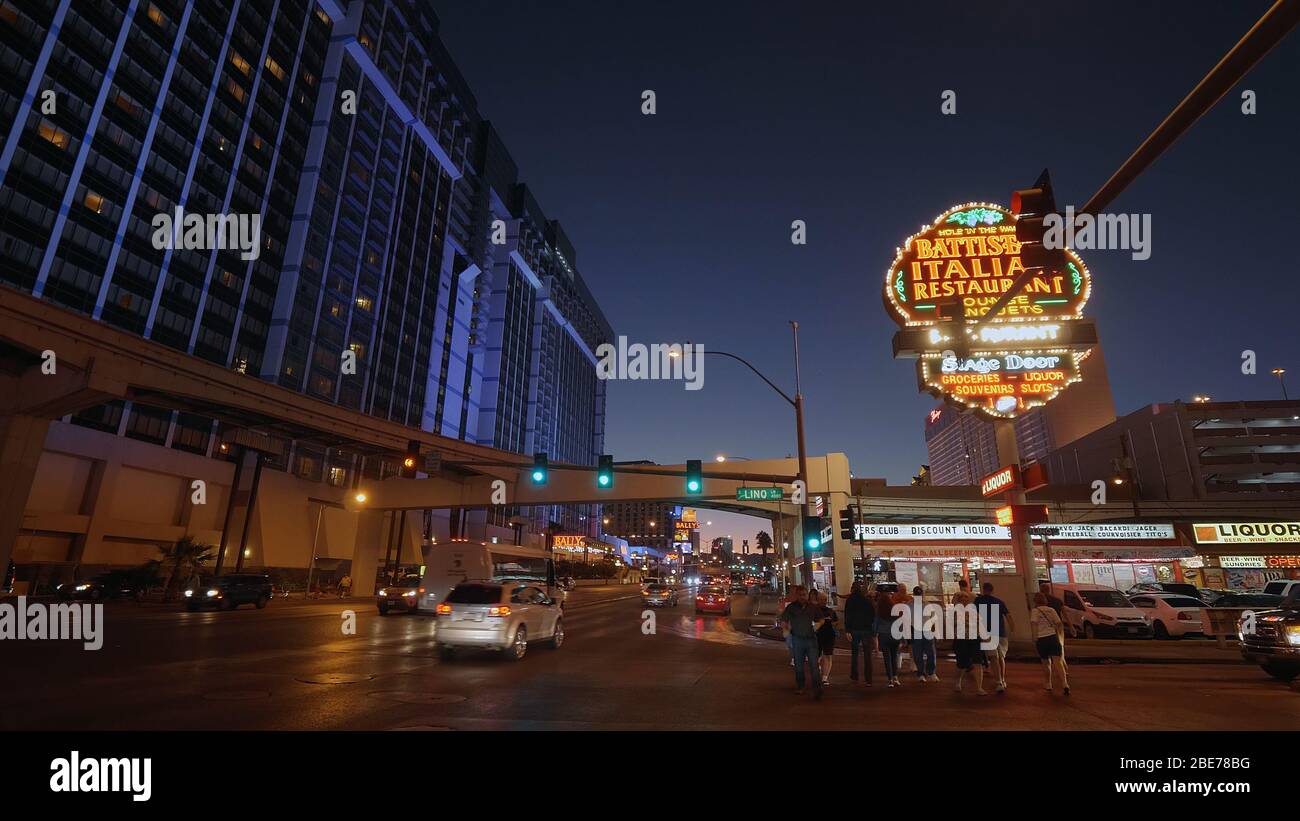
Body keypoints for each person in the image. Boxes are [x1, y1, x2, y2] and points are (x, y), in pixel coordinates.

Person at [779, 586, 822, 699]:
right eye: (801, 595)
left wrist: (818, 624)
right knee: (799, 665)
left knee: (814, 665)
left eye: (804, 594)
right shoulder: (791, 608)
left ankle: (817, 688)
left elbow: (821, 619)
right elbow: (783, 620)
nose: (803, 597)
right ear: (797, 595)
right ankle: (800, 686)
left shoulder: (813, 607)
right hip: (797, 639)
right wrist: (785, 629)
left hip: (811, 639)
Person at [974, 581, 1015, 693]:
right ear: (992, 590)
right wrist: (1012, 628)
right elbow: (1008, 616)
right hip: (1000, 632)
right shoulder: (999, 602)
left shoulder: (978, 601)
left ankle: (999, 682)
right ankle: (1002, 679)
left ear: (983, 589)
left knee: (993, 658)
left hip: (987, 633)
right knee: (1001, 657)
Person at [951, 579, 988, 695]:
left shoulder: (972, 611)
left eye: (966, 599)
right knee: (961, 664)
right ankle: (958, 682)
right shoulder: (957, 612)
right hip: (962, 640)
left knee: (977, 663)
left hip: (973, 639)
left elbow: (979, 623)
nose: (964, 601)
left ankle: (979, 687)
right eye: (962, 599)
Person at [1031, 592, 1070, 695]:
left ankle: (1048, 683)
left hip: (1041, 639)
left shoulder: (1035, 611)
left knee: (1046, 663)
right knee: (1058, 662)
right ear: (1045, 600)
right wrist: (1060, 637)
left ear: (1035, 601)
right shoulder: (1051, 610)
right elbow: (1059, 624)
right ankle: (1065, 683)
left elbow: (1034, 625)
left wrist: (1035, 638)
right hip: (1053, 637)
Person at [843, 581, 875, 685]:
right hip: (866, 629)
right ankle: (868, 678)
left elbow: (847, 615)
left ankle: (855, 674)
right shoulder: (867, 600)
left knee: (855, 653)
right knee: (867, 654)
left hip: (854, 629)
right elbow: (872, 614)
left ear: (852, 589)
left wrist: (847, 629)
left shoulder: (850, 600)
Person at [908, 585, 939, 682]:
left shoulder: (928, 605)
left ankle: (931, 672)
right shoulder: (908, 605)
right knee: (917, 654)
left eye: (920, 595)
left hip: (927, 630)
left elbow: (934, 620)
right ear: (913, 595)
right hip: (915, 630)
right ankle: (921, 673)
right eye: (917, 595)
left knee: (931, 653)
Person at [874, 588, 902, 687]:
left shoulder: (879, 611)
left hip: (884, 635)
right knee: (894, 657)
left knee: (887, 658)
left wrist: (874, 635)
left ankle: (890, 679)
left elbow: (875, 625)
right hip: (895, 635)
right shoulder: (895, 610)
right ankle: (895, 677)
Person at [810, 590, 838, 686]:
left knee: (828, 656)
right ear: (817, 600)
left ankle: (825, 677)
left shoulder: (831, 611)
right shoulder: (813, 610)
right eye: (822, 599)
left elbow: (836, 622)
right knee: (815, 657)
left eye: (825, 599)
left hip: (829, 636)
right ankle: (817, 673)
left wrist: (832, 623)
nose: (824, 601)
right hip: (816, 636)